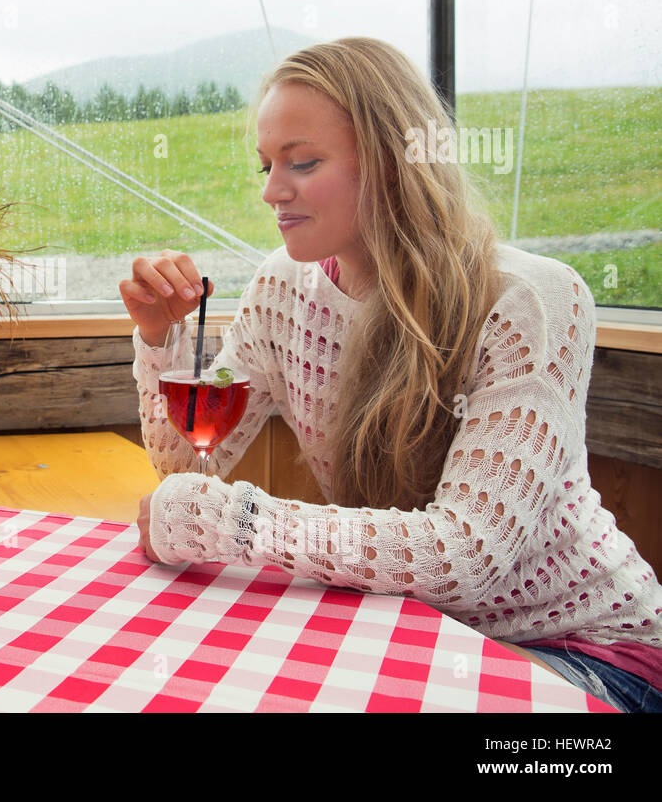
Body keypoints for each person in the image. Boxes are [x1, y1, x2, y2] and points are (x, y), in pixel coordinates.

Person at [122, 37, 662, 713]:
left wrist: (241, 522)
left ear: (391, 164)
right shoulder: (280, 287)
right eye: (265, 165)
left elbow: (463, 557)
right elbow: (185, 466)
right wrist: (158, 337)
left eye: (303, 162)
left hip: (585, 654)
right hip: (410, 630)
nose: (270, 191)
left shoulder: (532, 299)